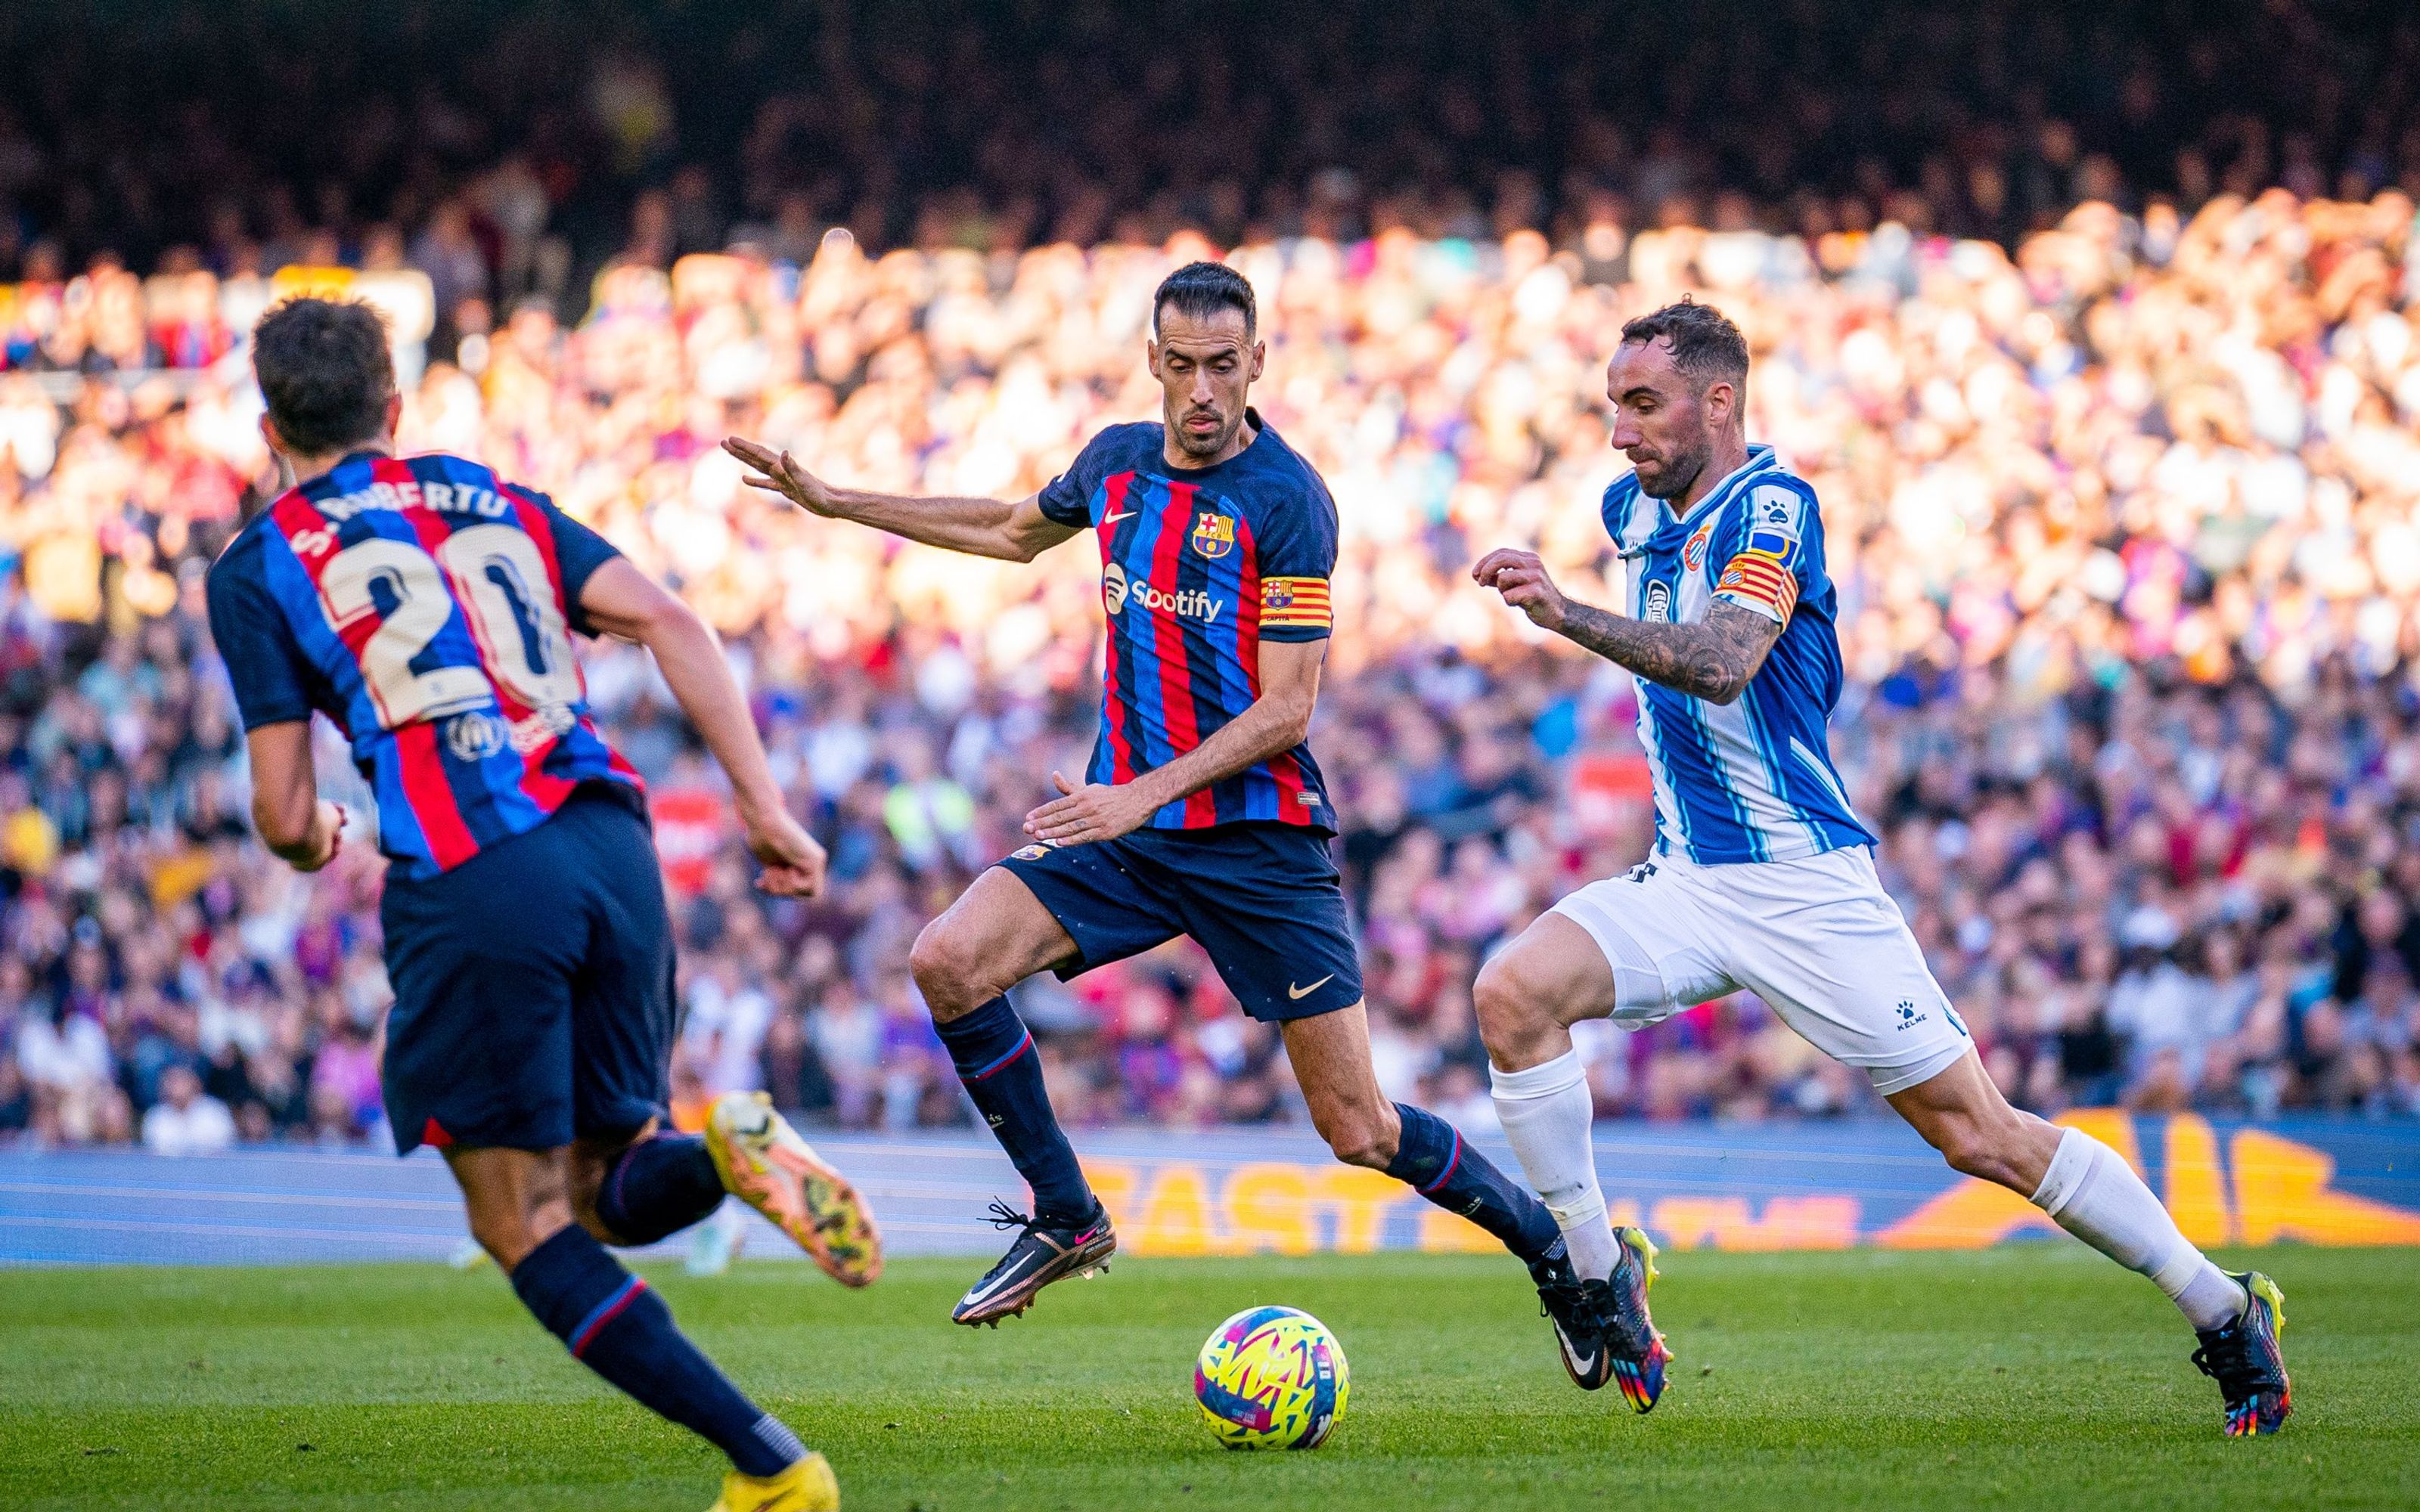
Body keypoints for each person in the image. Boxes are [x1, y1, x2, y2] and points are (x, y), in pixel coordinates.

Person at [1470, 297, 2291, 1435]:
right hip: (1689, 880)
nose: (1620, 433)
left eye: (1644, 405)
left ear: (1720, 401)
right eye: (1613, 406)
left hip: (1806, 885)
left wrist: (1565, 614)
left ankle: (2224, 1311)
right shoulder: (1629, 508)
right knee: (1511, 994)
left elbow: (1720, 665)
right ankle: (1602, 1277)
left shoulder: (1777, 507)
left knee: (1980, 1135)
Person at [727, 262, 1584, 1341]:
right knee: (949, 960)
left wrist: (1142, 795)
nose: (1202, 392)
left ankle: (1557, 1256)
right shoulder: (1118, 464)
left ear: (1258, 362)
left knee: (1359, 1128)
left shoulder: (1289, 500)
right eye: (1181, 367)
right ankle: (1068, 1214)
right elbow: (1007, 529)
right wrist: (837, 498)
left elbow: (1289, 709)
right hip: (1128, 831)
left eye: (1223, 366)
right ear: (1153, 362)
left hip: (1254, 841)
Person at [206, 296, 881, 1512]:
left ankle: (775, 1469)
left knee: (520, 1221)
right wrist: (765, 807)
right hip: (612, 848)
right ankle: (721, 1153)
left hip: (475, 875)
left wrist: (321, 842)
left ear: (269, 429)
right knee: (603, 1193)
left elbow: (280, 811)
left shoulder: (258, 565)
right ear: (394, 411)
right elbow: (670, 620)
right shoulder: (485, 494)